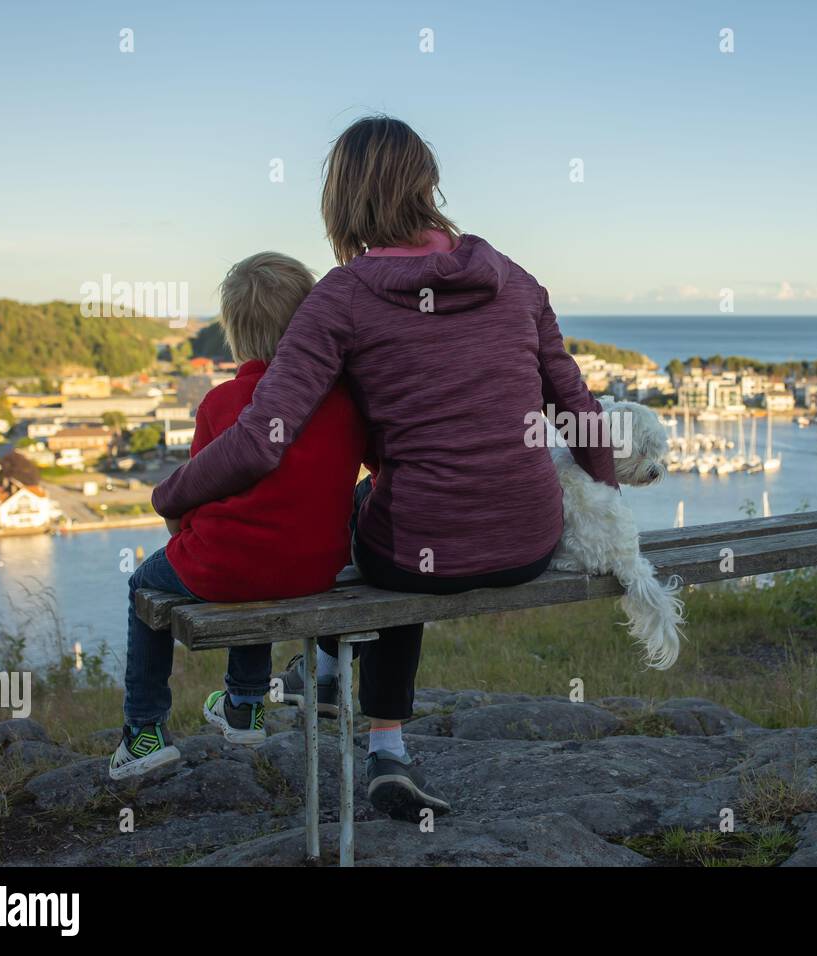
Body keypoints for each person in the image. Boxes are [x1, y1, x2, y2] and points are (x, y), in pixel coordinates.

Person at [151, 115, 617, 821]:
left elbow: (260, 441)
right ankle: (364, 720)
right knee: (407, 503)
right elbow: (580, 413)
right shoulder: (516, 281)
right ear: (427, 183)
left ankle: (369, 723)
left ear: (343, 200)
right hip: (528, 541)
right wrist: (608, 507)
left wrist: (170, 497)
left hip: (415, 549)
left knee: (395, 517)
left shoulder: (342, 295)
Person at [111, 252, 365, 781]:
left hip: (226, 567)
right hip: (313, 571)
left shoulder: (222, 402)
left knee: (142, 586)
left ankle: (143, 734)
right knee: (263, 562)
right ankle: (244, 704)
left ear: (235, 333)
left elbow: (199, 495)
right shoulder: (342, 402)